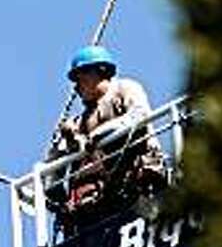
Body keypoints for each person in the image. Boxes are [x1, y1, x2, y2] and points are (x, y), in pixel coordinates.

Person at [46, 45, 169, 231]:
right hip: (100, 206)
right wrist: (69, 139)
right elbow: (52, 168)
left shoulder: (124, 89)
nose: (76, 87)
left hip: (138, 191)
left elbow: (139, 116)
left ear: (100, 71)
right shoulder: (79, 121)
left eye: (80, 78)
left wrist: (96, 136)